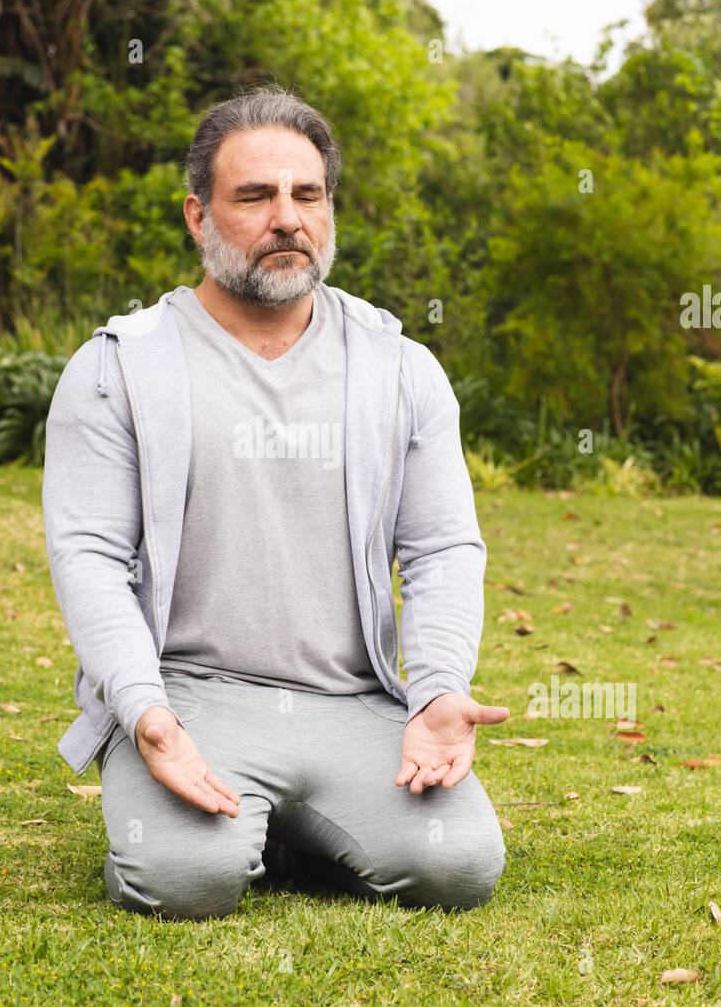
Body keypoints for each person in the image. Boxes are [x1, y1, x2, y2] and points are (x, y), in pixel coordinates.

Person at [42, 86, 509, 921]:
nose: (286, 218)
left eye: (307, 194)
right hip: (187, 700)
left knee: (459, 869)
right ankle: (221, 830)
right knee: (185, 881)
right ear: (198, 215)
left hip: (352, 703)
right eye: (254, 196)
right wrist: (141, 707)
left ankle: (289, 834)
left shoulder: (400, 368)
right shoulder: (118, 367)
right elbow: (89, 557)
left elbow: (440, 548)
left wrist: (438, 688)